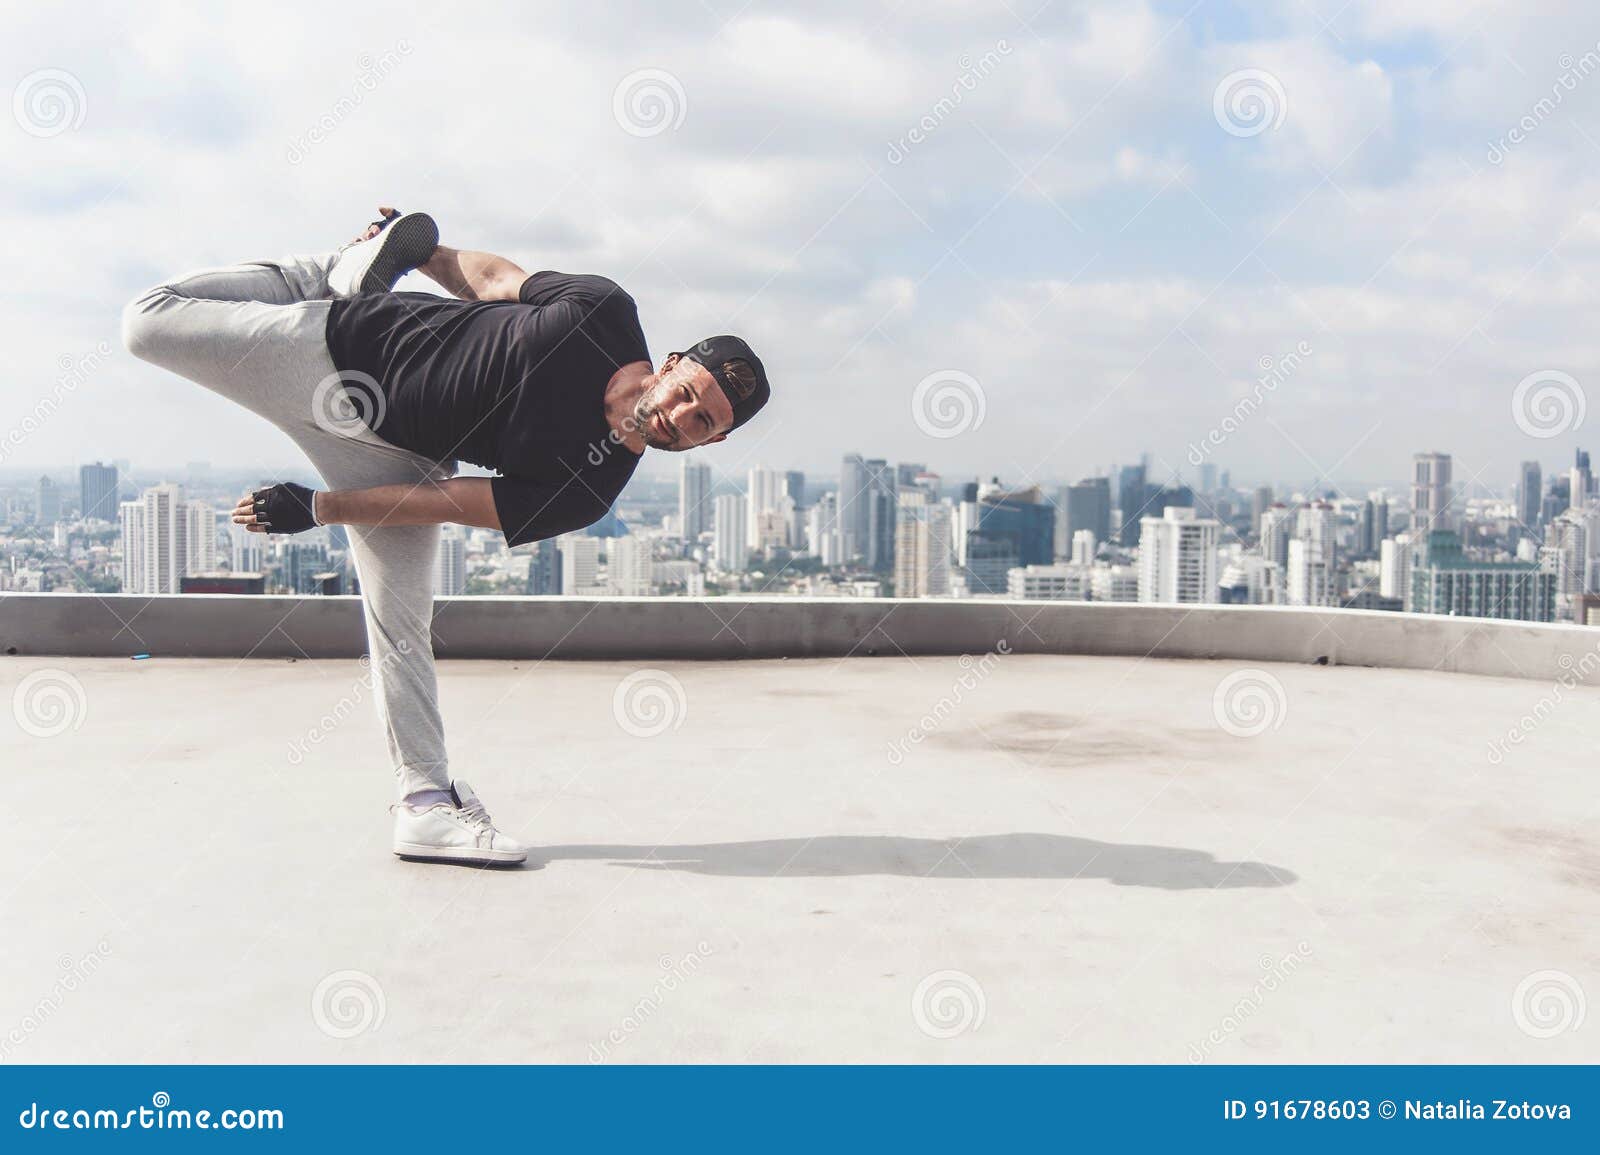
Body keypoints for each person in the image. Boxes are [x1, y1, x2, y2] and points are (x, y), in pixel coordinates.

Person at [122, 207, 772, 867]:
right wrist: (424, 251)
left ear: (712, 440)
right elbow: (492, 279)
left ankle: (425, 803)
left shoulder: (588, 490)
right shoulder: (604, 312)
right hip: (336, 353)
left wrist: (317, 507)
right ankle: (329, 275)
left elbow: (447, 501)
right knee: (147, 323)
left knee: (402, 620)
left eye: (702, 420)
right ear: (669, 365)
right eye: (688, 392)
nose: (680, 415)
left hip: (398, 462)